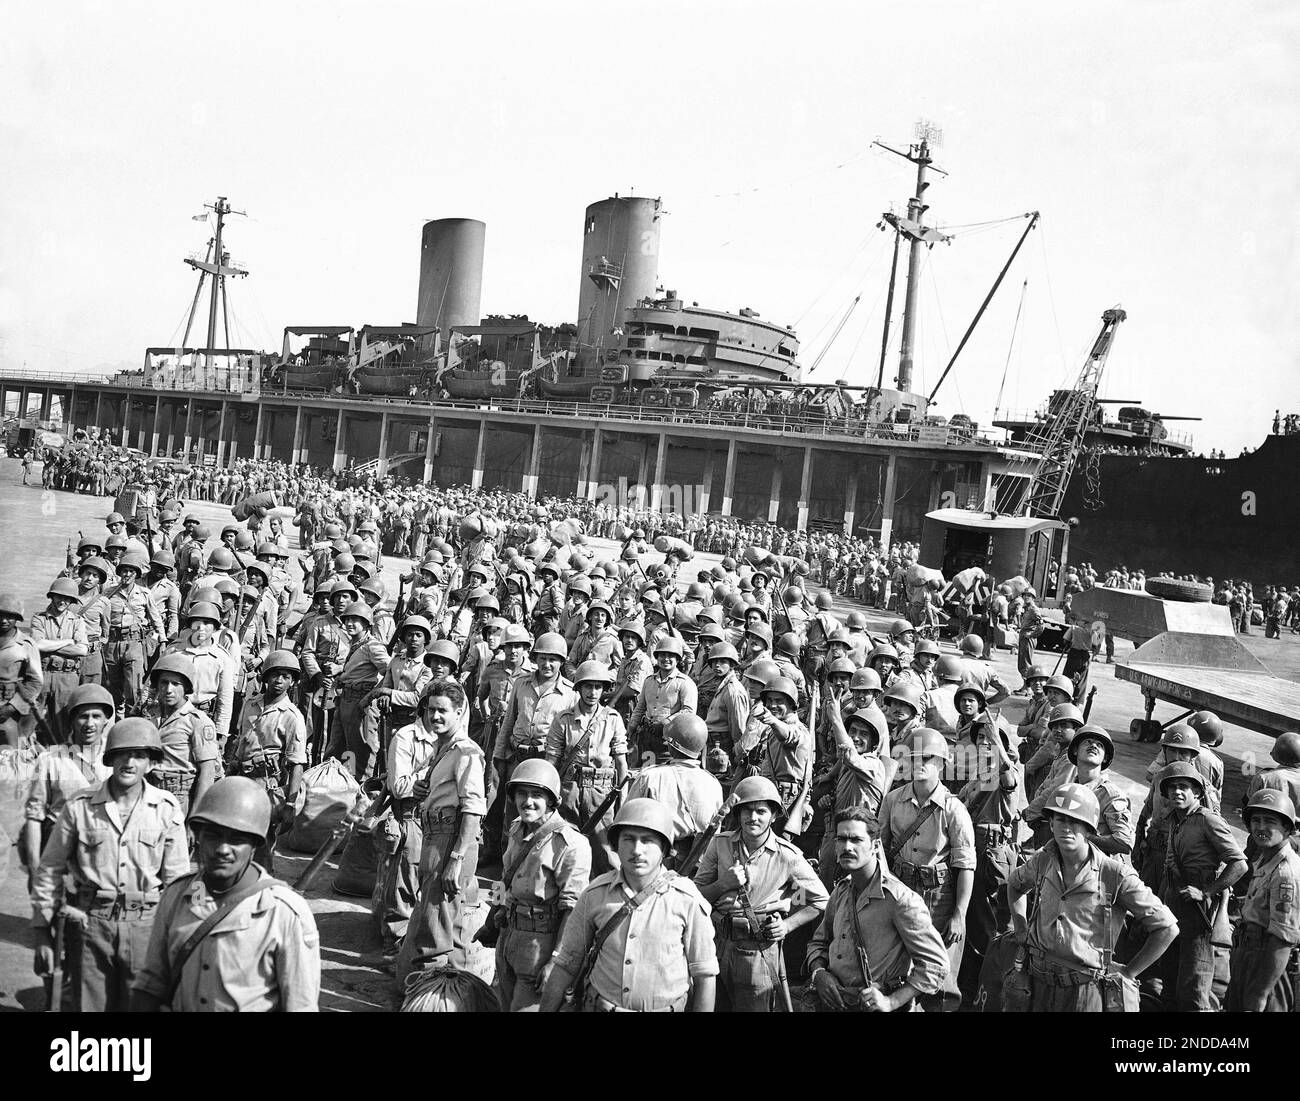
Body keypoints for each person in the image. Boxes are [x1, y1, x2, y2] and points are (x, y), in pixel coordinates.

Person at [30, 718, 189, 1012]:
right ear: (110, 758)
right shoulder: (80, 806)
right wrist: (42, 931)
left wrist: (175, 940)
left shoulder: (166, 809)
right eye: (122, 754)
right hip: (91, 925)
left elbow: (177, 883)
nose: (129, 762)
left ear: (151, 763)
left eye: (139, 755)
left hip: (146, 928)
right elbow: (50, 869)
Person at [131, 777, 321, 1011]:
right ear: (198, 837)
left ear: (254, 845)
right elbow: (152, 982)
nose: (222, 849)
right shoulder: (177, 896)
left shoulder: (283, 912)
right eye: (213, 836)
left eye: (237, 840)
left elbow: (300, 1005)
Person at [1006, 783, 1178, 1012]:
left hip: (1085, 992)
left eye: (1075, 822)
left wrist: (1129, 972)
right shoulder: (1042, 861)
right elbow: (1015, 885)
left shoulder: (1114, 874)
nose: (1067, 828)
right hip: (1036, 984)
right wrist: (1020, 926)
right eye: (1060, 820)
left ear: (1089, 829)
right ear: (1051, 824)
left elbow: (1167, 927)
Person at [538, 797, 718, 1012]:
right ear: (616, 845)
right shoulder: (595, 894)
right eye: (629, 839)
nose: (637, 850)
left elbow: (705, 975)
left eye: (648, 840)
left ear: (664, 848)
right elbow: (567, 964)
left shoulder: (686, 899)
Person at [694, 776, 828, 1011]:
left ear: (774, 815)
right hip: (715, 943)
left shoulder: (788, 856)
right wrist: (722, 884)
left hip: (757, 951)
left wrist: (786, 926)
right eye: (746, 810)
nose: (753, 817)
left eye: (761, 811)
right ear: (737, 813)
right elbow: (694, 896)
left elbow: (820, 900)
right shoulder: (720, 844)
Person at [805, 807, 950, 1011]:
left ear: (875, 846)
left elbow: (936, 965)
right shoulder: (841, 891)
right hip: (836, 1003)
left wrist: (892, 1001)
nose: (847, 847)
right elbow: (819, 942)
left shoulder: (900, 900)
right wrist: (818, 973)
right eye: (841, 839)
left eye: (856, 839)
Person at [478, 760, 592, 1011]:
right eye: (522, 794)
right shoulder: (517, 827)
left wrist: (556, 961)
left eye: (537, 795)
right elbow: (504, 878)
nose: (528, 801)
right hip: (507, 936)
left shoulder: (571, 844)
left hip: (540, 945)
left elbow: (572, 911)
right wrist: (492, 918)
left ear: (551, 800)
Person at [877, 728, 975, 1011]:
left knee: (939, 972)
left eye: (928, 758)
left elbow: (965, 864)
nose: (919, 764)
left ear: (942, 763)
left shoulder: (953, 809)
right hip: (900, 889)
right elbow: (880, 847)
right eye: (914, 757)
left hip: (938, 898)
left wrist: (959, 913)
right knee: (896, 963)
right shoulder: (893, 799)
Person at [396, 679, 487, 981]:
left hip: (451, 839)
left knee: (435, 927)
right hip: (437, 835)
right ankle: (455, 989)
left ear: (460, 712)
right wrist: (426, 788)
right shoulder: (443, 748)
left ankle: (430, 992)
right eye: (430, 711)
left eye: (442, 711)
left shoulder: (466, 752)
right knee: (444, 921)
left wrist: (455, 860)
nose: (434, 717)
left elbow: (473, 809)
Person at [1152, 761, 1247, 1011]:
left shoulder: (1207, 820)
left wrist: (1207, 892)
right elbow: (1170, 868)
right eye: (1172, 788)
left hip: (1199, 909)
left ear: (1197, 792)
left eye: (1184, 787)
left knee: (1195, 983)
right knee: (1170, 976)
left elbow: (1239, 864)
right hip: (1174, 903)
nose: (1177, 792)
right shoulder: (1175, 819)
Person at [21, 685, 114, 888]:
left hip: (105, 854)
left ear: (106, 719)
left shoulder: (117, 758)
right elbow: (34, 816)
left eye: (96, 716)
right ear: (72, 719)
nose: (89, 724)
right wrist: (35, 867)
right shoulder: (50, 760)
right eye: (83, 716)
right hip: (59, 851)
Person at [543, 660, 628, 872]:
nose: (593, 692)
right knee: (563, 846)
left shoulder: (613, 719)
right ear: (579, 688)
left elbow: (621, 761)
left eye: (598, 687)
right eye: (588, 686)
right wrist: (548, 795)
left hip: (602, 792)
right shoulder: (563, 719)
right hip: (569, 790)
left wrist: (622, 799)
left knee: (605, 852)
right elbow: (552, 760)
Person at [1226, 789, 1300, 1012]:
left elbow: (1282, 940)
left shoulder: (1286, 874)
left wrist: (1260, 993)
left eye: (1270, 821)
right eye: (1255, 820)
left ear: (1287, 828)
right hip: (1247, 956)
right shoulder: (1265, 859)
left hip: (1268, 967)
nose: (1260, 827)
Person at [626, 712, 723, 866]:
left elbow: (628, 820)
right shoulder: (713, 783)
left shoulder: (651, 777)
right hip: (698, 865)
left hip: (656, 859)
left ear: (671, 745)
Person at [29, 578, 88, 745]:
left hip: (67, 678)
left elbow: (82, 650)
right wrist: (68, 642)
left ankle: (61, 760)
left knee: (64, 722)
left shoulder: (77, 621)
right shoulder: (39, 618)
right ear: (52, 596)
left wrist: (50, 645)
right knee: (30, 719)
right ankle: (24, 759)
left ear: (71, 601)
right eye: (58, 597)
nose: (62, 601)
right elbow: (38, 644)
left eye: (67, 598)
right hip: (42, 674)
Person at [0, 591, 43, 748]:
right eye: (1, 615)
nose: (4, 620)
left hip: (12, 709)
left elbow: (35, 682)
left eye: (10, 616)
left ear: (17, 619)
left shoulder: (26, 644)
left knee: (11, 755)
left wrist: (12, 707)